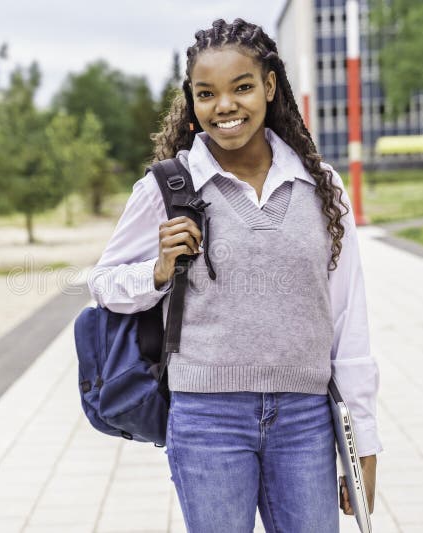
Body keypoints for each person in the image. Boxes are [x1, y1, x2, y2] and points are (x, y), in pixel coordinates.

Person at [88, 18, 381, 533]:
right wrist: (157, 273)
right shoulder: (168, 187)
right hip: (206, 418)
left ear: (269, 86)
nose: (225, 106)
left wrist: (364, 443)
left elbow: (347, 321)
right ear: (193, 101)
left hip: (306, 418)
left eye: (241, 87)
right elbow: (104, 285)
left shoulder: (321, 185)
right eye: (207, 94)